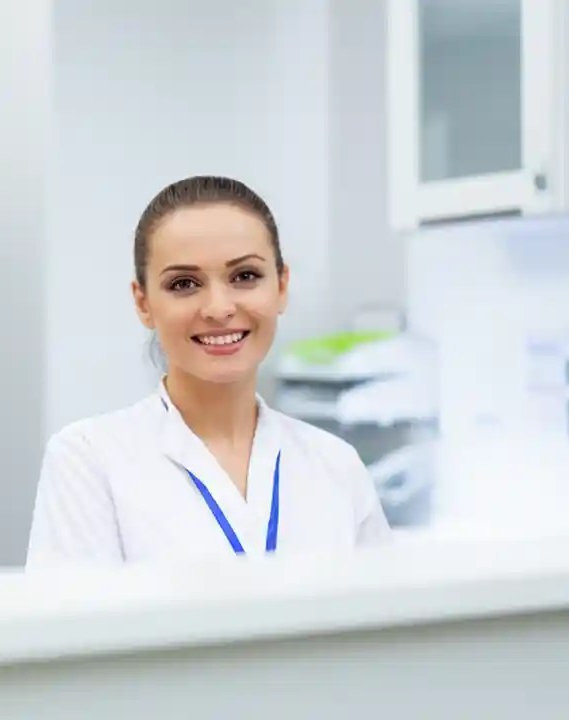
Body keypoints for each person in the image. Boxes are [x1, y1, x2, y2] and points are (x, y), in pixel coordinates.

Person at [27, 176, 391, 568]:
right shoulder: (89, 460)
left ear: (281, 286)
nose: (219, 308)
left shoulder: (336, 465)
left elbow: (386, 621)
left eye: (245, 276)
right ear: (143, 302)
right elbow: (77, 626)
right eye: (184, 283)